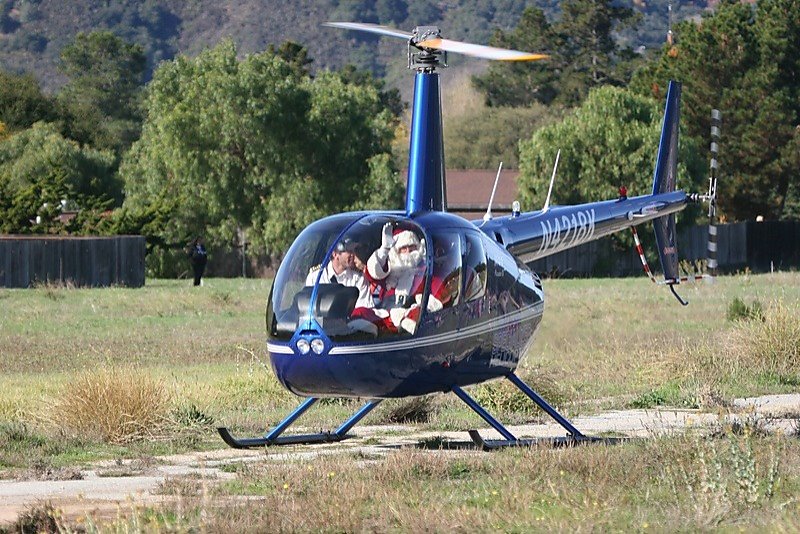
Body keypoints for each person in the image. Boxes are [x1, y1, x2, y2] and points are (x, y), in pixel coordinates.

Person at [363, 223, 444, 335]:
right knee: (361, 313)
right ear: (396, 252)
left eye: (412, 248)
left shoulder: (425, 272)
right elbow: (373, 273)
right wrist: (384, 250)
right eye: (403, 249)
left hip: (410, 319)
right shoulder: (391, 272)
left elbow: (438, 296)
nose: (408, 252)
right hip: (386, 317)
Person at [306, 237, 373, 310]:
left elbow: (363, 310)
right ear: (335, 254)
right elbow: (307, 307)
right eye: (349, 251)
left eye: (353, 251)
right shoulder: (315, 277)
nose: (353, 254)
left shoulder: (358, 279)